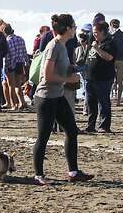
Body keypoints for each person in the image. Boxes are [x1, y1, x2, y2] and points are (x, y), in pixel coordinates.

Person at [32, 13, 91, 186]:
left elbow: (60, 69)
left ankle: (73, 172)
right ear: (67, 29)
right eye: (73, 26)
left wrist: (73, 69)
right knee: (43, 137)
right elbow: (47, 75)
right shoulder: (54, 46)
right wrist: (68, 80)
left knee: (72, 131)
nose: (75, 29)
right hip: (46, 97)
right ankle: (38, 175)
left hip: (57, 95)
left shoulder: (63, 46)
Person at [83, 20, 117, 134]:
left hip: (103, 78)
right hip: (90, 77)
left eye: (96, 32)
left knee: (103, 102)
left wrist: (97, 48)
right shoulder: (93, 42)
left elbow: (109, 57)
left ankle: (104, 126)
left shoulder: (109, 43)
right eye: (93, 32)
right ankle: (90, 125)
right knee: (90, 103)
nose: (94, 34)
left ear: (103, 32)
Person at [3, 23, 29, 110]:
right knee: (18, 85)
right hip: (19, 64)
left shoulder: (7, 41)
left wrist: (5, 67)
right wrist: (26, 62)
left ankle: (14, 105)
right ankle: (22, 102)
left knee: (11, 86)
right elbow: (25, 53)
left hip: (10, 64)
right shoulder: (20, 39)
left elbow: (7, 56)